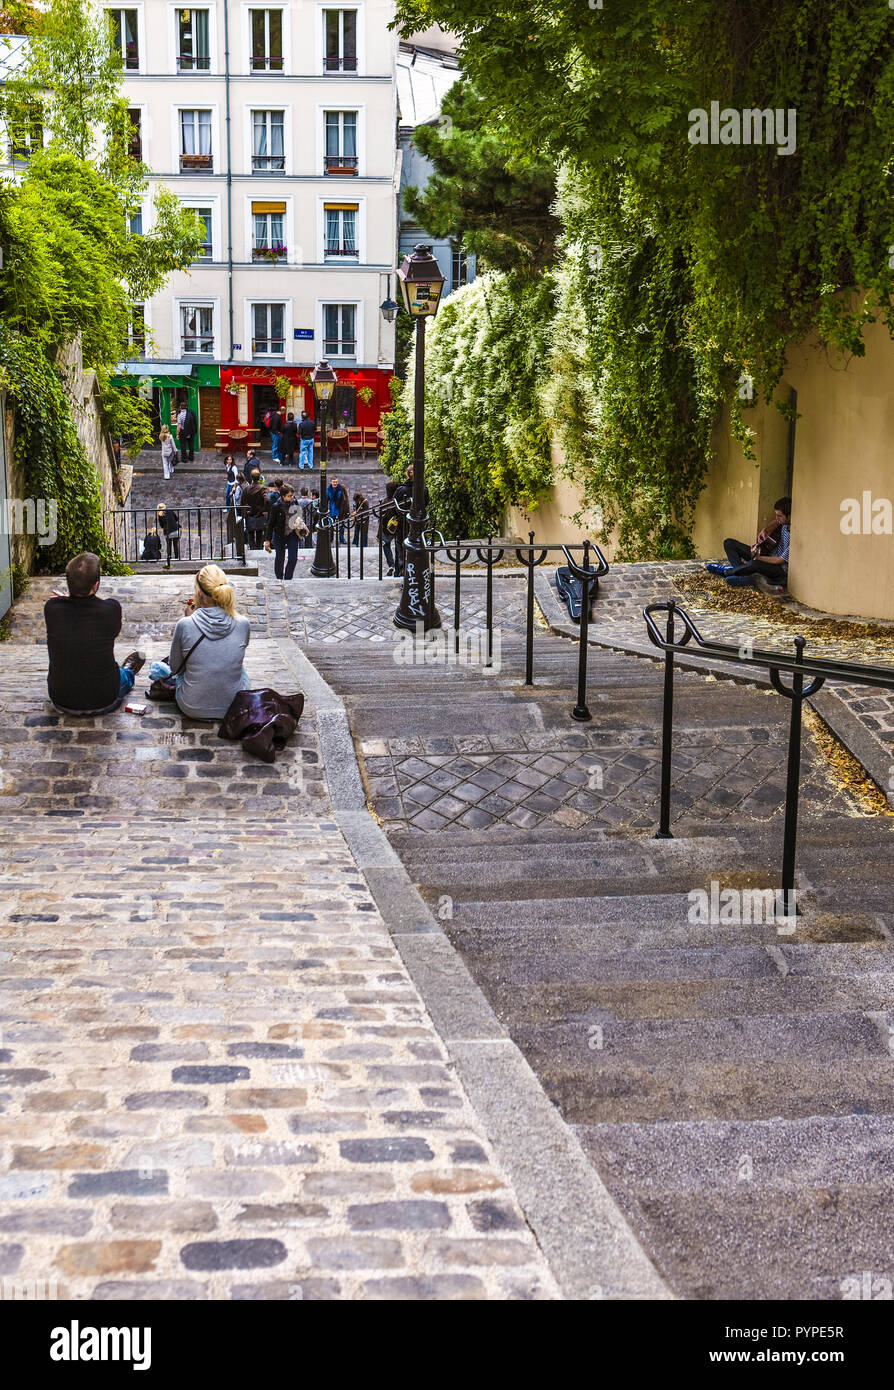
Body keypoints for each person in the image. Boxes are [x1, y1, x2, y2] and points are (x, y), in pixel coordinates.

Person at [44, 552, 145, 715]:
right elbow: (110, 628)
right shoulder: (111, 609)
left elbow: (72, 613)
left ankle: (123, 671)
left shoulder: (52, 608)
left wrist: (67, 601)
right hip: (104, 699)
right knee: (125, 676)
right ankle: (127, 672)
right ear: (96, 585)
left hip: (61, 699)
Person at [149, 565, 251, 721]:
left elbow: (176, 668)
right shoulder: (243, 623)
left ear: (199, 593)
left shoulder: (185, 624)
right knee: (241, 670)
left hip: (192, 706)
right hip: (233, 706)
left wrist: (189, 618)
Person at [706, 497, 792, 589]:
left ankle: (727, 572)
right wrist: (765, 530)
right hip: (768, 555)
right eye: (776, 515)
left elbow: (780, 560)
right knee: (729, 543)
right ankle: (742, 575)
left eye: (779, 516)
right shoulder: (783, 523)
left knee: (754, 563)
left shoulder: (794, 535)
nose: (777, 518)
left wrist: (759, 558)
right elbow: (776, 522)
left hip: (779, 569)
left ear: (790, 516)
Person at [265, 484, 305, 579]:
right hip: (279, 535)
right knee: (280, 558)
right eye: (289, 496)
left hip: (292, 533)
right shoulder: (276, 507)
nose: (292, 498)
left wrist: (298, 519)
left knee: (293, 558)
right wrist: (267, 540)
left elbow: (299, 514)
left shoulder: (295, 502)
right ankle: (279, 578)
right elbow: (270, 524)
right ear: (283, 496)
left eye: (292, 495)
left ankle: (288, 578)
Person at [243, 469, 269, 550]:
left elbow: (242, 503)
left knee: (250, 535)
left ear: (251, 477)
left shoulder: (246, 489)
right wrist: (263, 509)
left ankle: (253, 549)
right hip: (259, 514)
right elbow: (267, 500)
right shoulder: (262, 488)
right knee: (259, 535)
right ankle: (258, 550)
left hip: (250, 514)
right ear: (259, 477)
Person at [326, 475, 350, 544]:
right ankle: (331, 538)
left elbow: (346, 499)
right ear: (331, 482)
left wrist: (347, 509)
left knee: (342, 525)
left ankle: (341, 538)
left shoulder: (341, 489)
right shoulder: (328, 490)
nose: (335, 483)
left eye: (336, 482)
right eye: (334, 482)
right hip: (332, 510)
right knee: (331, 525)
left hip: (340, 510)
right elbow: (326, 500)